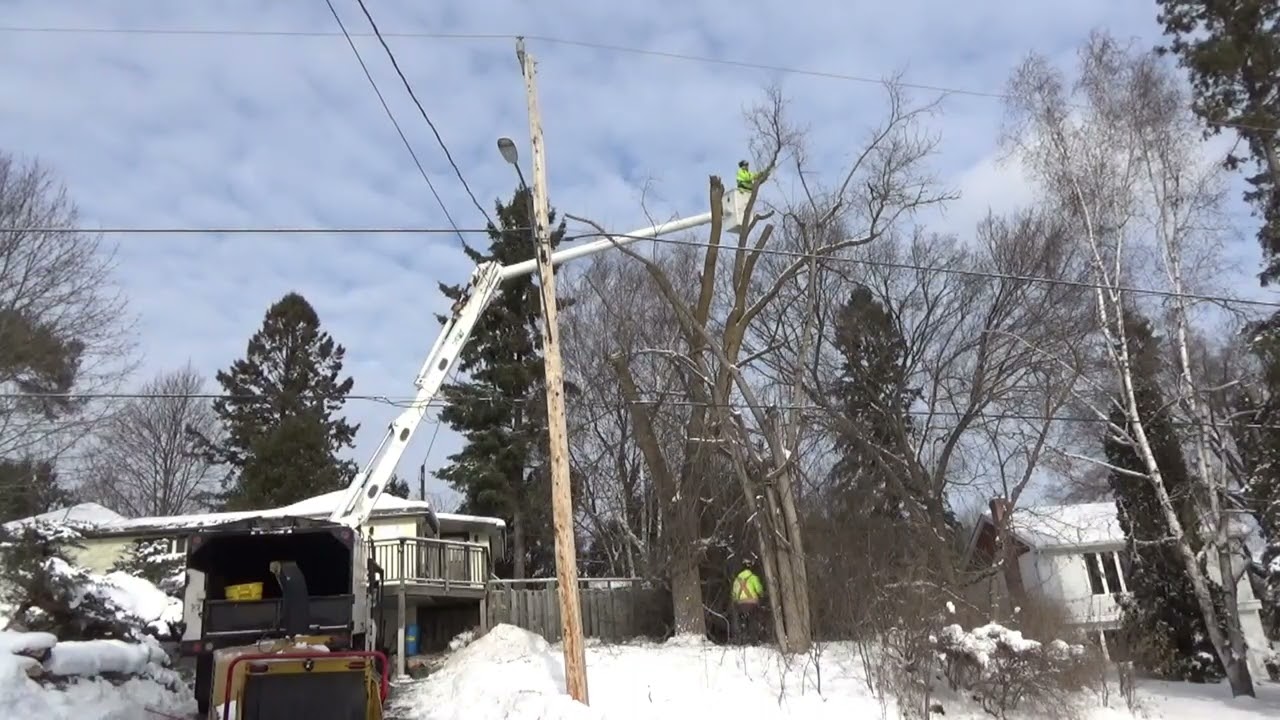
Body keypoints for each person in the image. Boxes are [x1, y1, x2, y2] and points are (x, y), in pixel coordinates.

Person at [730, 556, 765, 644]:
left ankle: (741, 639)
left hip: (740, 605)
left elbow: (733, 594)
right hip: (752, 604)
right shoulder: (753, 578)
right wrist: (761, 595)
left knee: (741, 620)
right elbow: (759, 590)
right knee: (753, 620)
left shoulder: (736, 580)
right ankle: (754, 640)